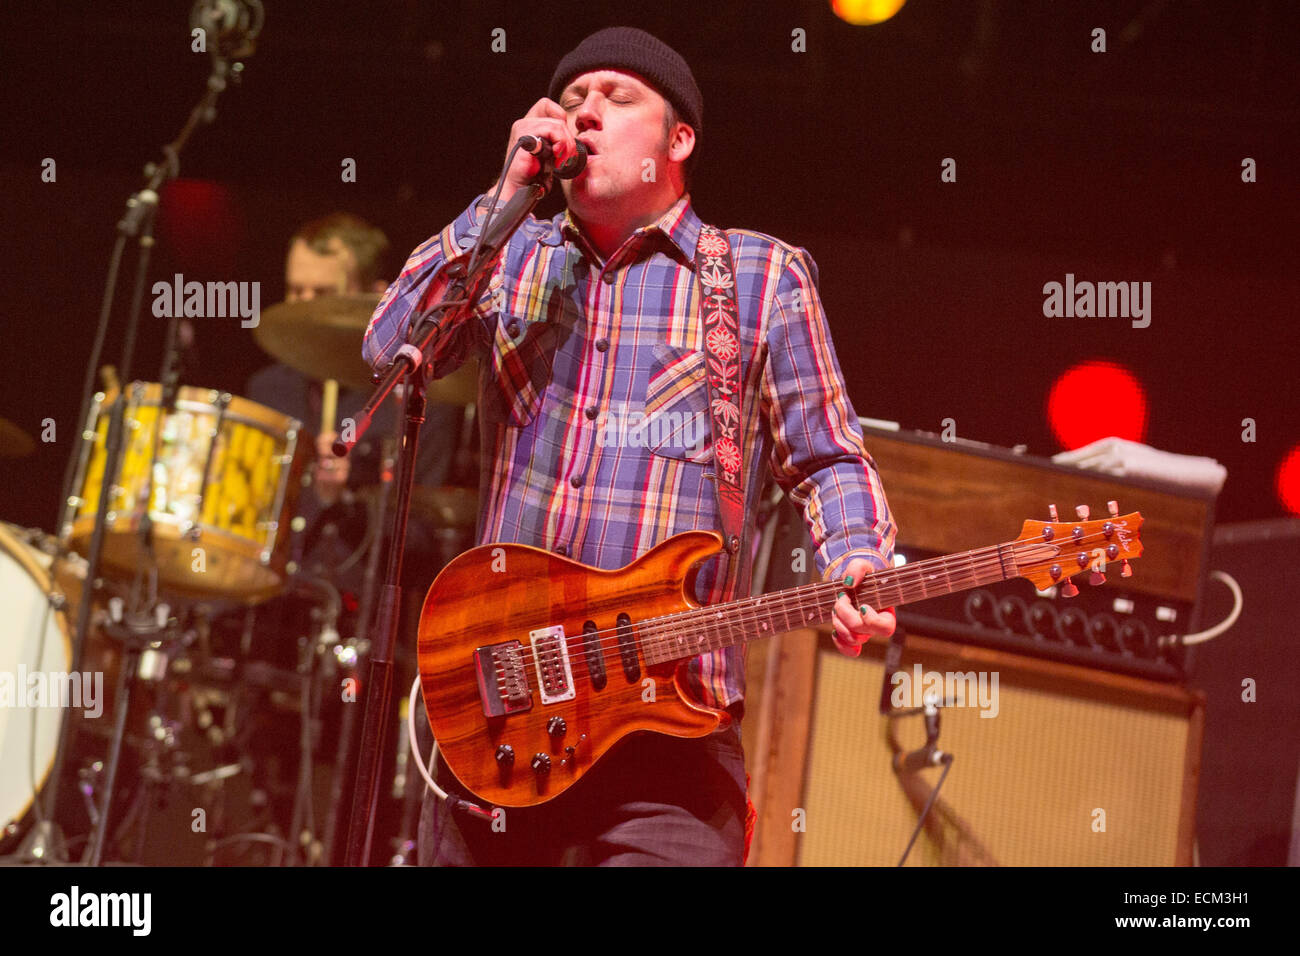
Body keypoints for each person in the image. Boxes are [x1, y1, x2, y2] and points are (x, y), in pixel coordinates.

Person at [363, 27, 897, 866]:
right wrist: (500, 196)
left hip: (668, 734)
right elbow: (391, 347)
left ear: (677, 140)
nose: (585, 115)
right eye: (572, 101)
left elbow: (827, 455)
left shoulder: (756, 279)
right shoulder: (513, 261)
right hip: (504, 716)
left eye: (615, 98)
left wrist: (855, 556)